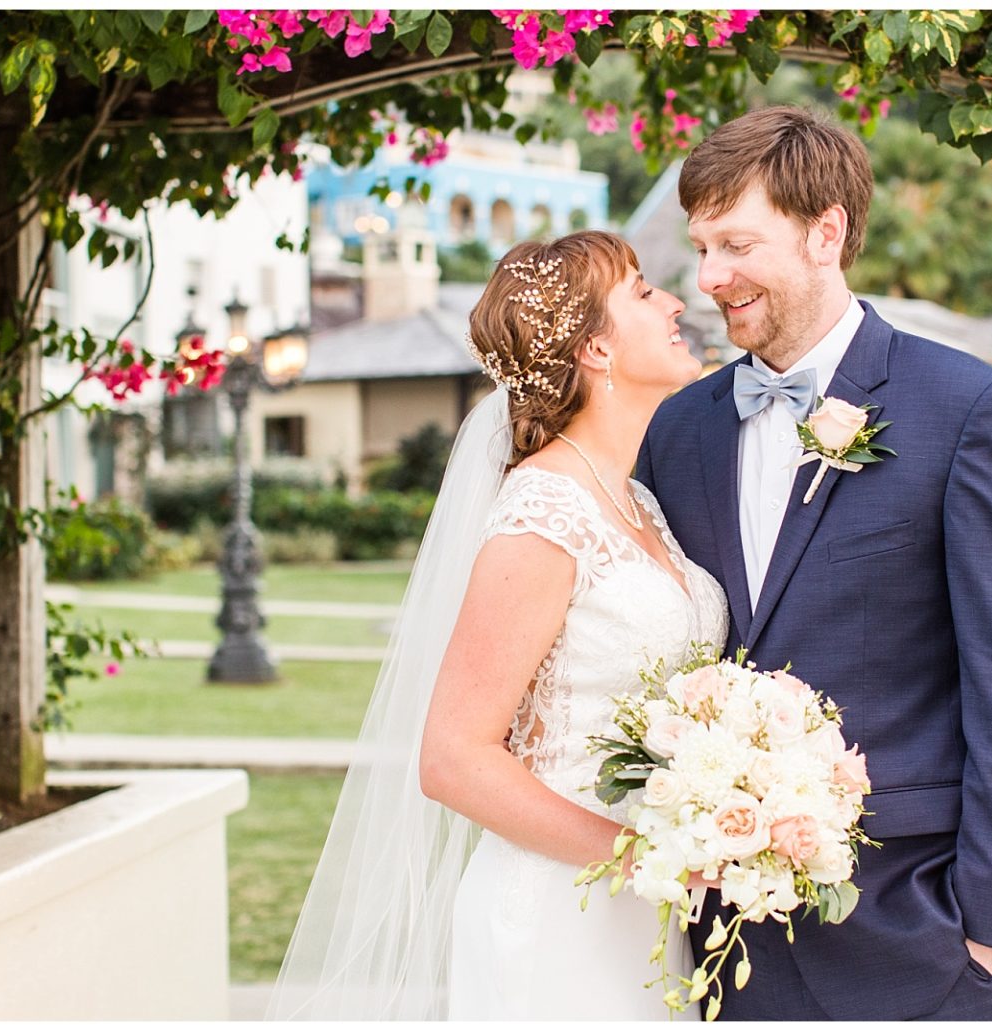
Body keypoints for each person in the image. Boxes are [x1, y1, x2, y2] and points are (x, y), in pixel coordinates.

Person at [635, 106, 992, 1021]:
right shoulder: (677, 429)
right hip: (720, 942)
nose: (710, 277)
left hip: (914, 934)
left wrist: (988, 932)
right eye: (702, 247)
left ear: (824, 231)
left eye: (736, 244)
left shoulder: (971, 410)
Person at [267, 230, 726, 1020]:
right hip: (555, 914)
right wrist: (642, 855)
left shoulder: (635, 500)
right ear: (595, 350)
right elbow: (451, 757)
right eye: (645, 292)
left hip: (641, 910)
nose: (677, 302)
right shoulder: (543, 511)